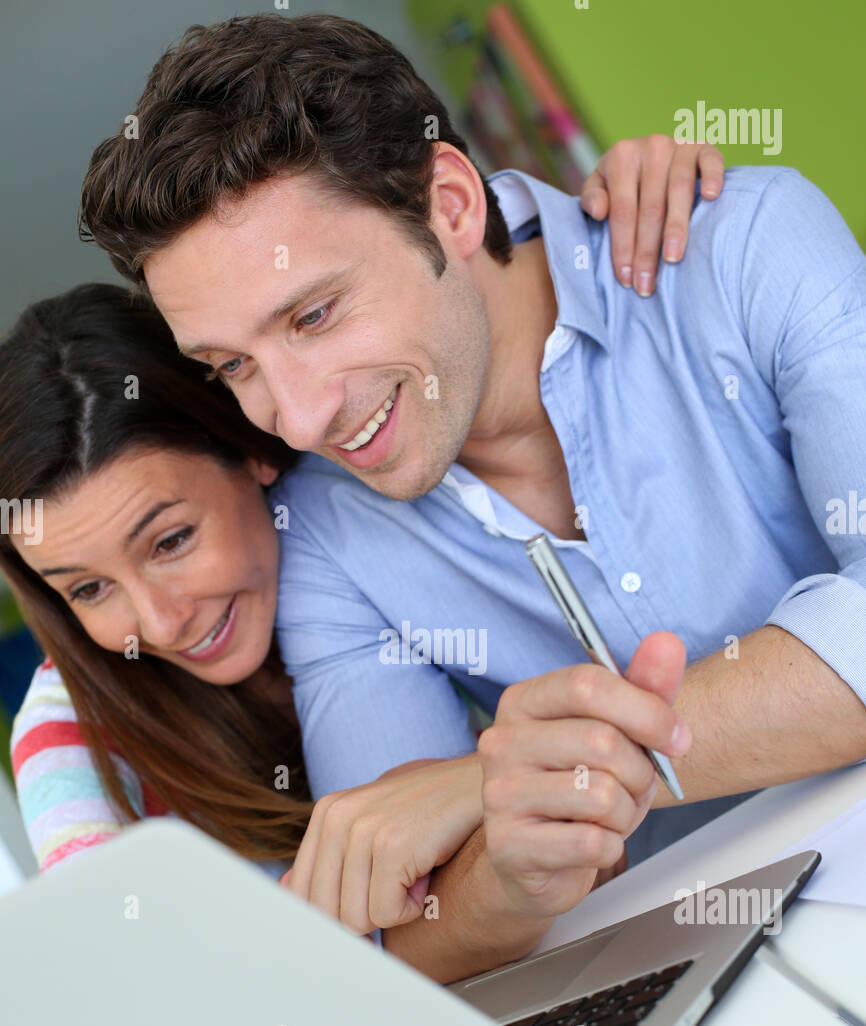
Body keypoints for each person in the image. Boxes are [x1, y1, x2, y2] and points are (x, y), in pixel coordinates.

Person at [77, 12, 866, 956]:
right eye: (231, 367)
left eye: (315, 314)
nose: (297, 417)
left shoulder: (742, 251)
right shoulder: (324, 534)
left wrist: (521, 781)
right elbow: (409, 929)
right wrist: (511, 872)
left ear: (449, 204)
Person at [1, 274, 681, 983]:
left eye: (171, 542)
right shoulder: (67, 739)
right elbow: (156, 1004)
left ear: (252, 452)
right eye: (88, 588)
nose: (161, 622)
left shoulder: (366, 512)